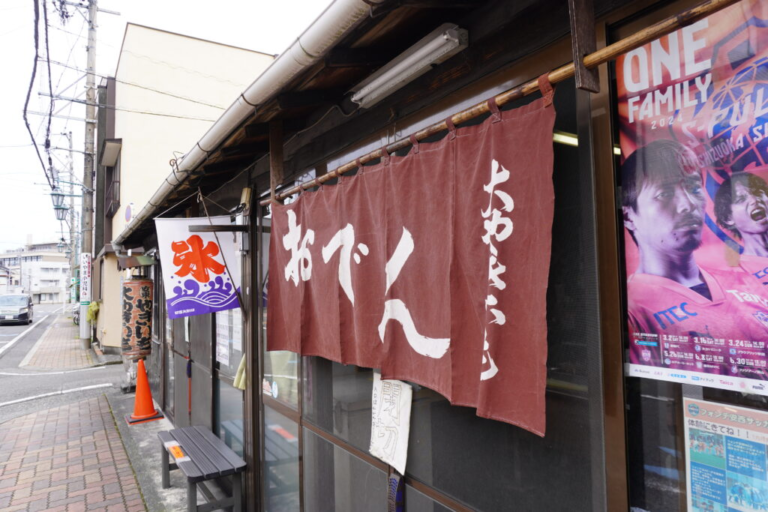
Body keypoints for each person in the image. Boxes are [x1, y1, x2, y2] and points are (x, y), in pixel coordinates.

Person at [622, 140, 768, 376]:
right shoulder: (631, 311)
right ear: (629, 216)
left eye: (693, 188)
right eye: (665, 193)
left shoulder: (745, 279)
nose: (687, 204)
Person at [715, 171, 768, 286]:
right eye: (741, 199)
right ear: (728, 218)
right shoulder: (737, 276)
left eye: (758, 192)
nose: (754, 200)